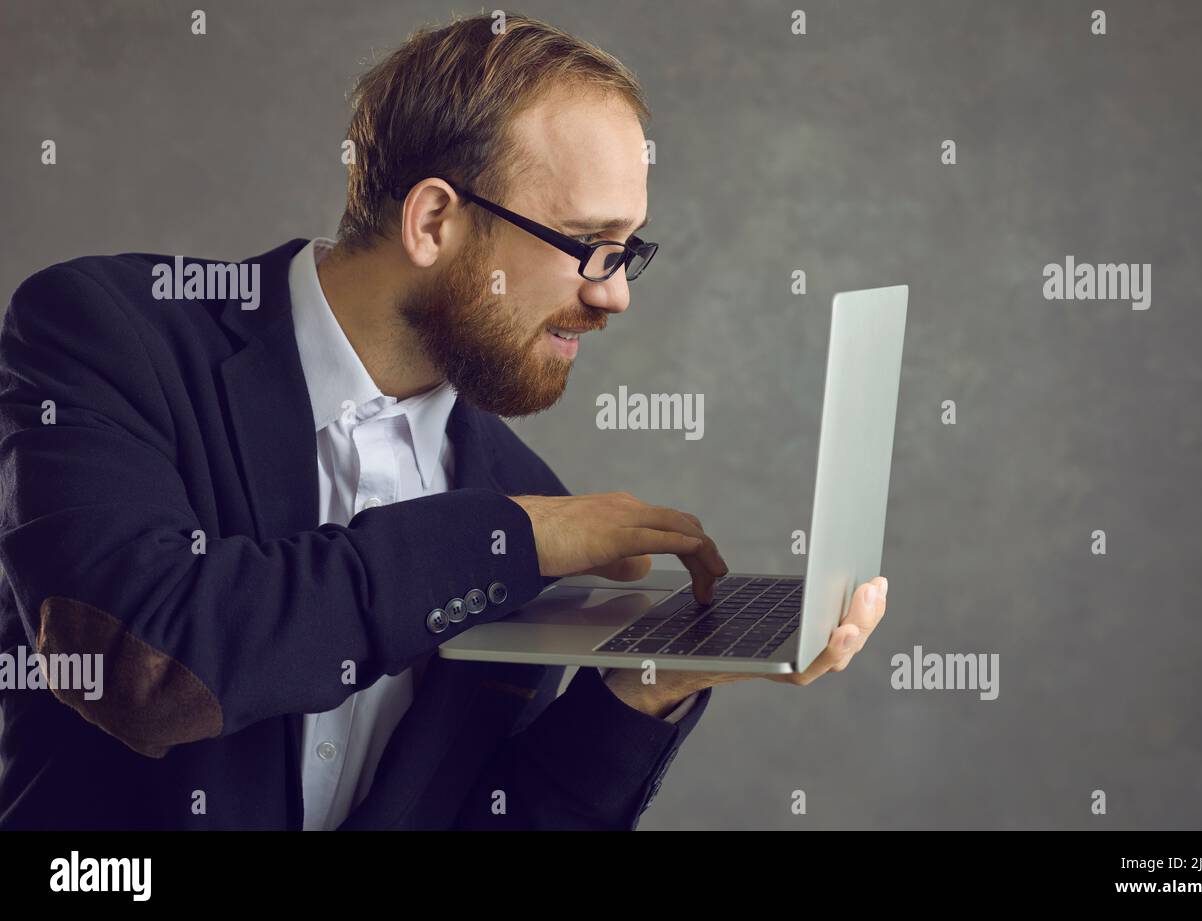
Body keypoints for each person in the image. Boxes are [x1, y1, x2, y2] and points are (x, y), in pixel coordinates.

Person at [0, 13, 887, 830]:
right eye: (589, 246)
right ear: (433, 221)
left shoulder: (524, 500)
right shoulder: (105, 332)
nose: (614, 294)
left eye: (630, 253)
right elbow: (142, 665)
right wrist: (504, 542)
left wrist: (643, 689)